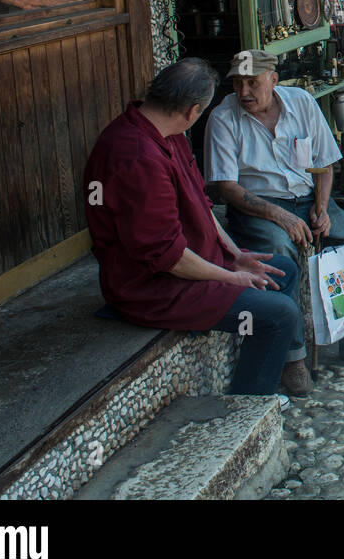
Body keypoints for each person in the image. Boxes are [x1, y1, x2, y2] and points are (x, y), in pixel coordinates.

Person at [84, 58, 307, 397]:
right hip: (152, 286)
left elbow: (201, 202)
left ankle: (266, 368)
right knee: (280, 314)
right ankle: (246, 405)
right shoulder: (135, 154)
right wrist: (230, 277)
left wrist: (234, 255)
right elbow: (168, 256)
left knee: (282, 270)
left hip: (196, 258)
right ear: (192, 112)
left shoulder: (168, 132)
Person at [205, 50, 344, 368]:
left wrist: (321, 208)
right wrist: (280, 216)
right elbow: (227, 188)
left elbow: (324, 165)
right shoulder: (223, 118)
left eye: (252, 83)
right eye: (238, 83)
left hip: (309, 198)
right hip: (258, 207)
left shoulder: (302, 103)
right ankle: (293, 356)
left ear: (273, 80)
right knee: (282, 254)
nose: (244, 92)